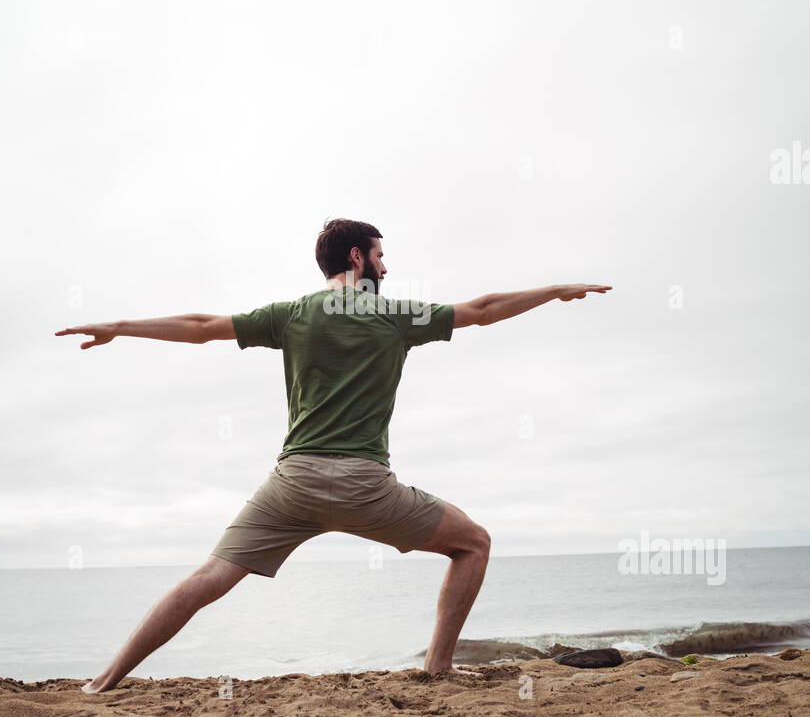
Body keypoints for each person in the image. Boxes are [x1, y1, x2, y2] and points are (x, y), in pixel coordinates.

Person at [55, 217, 611, 690]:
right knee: (474, 544)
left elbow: (201, 327)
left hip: (291, 484)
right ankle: (438, 668)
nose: (387, 268)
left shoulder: (292, 315)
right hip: (365, 487)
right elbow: (483, 309)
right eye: (381, 256)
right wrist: (553, 291)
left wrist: (119, 327)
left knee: (206, 580)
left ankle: (105, 681)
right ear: (357, 257)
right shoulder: (397, 316)